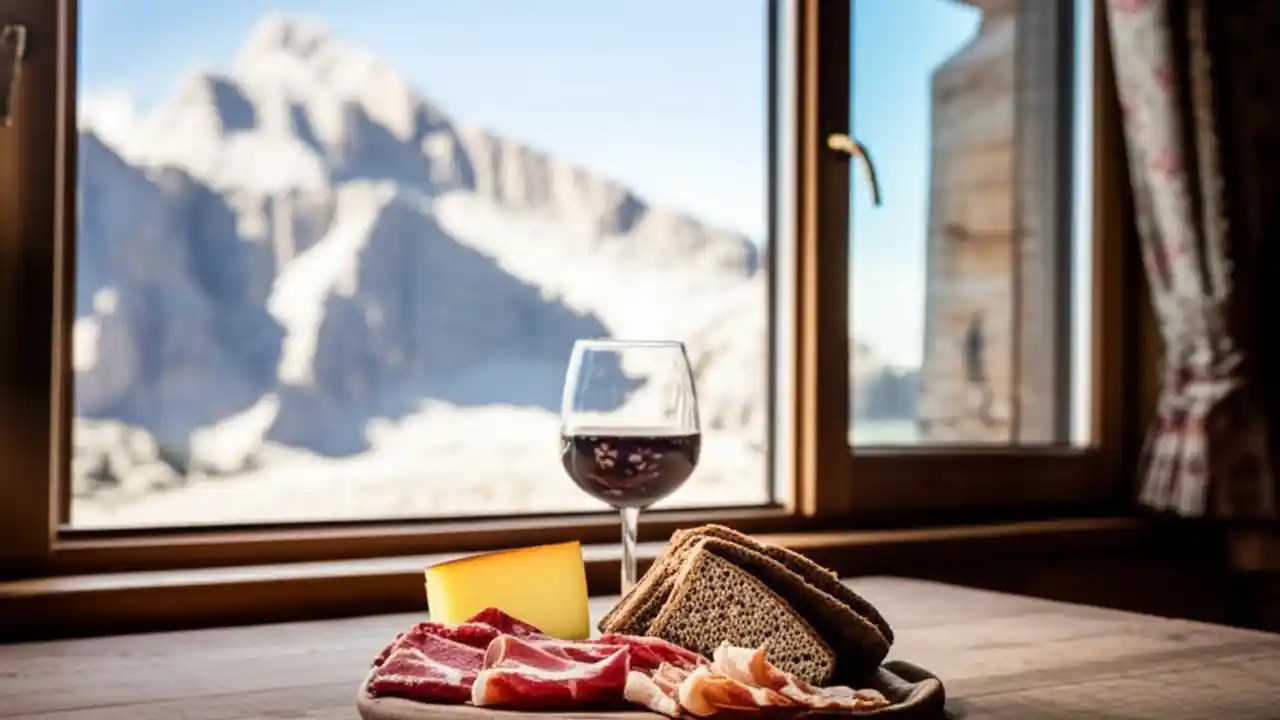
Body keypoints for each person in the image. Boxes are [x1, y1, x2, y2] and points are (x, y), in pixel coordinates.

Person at [962, 313, 995, 427]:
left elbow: (975, 355)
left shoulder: (973, 335)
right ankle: (982, 414)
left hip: (975, 371)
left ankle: (982, 414)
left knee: (986, 395)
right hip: (975, 372)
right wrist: (979, 373)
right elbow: (974, 356)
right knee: (986, 395)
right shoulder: (974, 335)